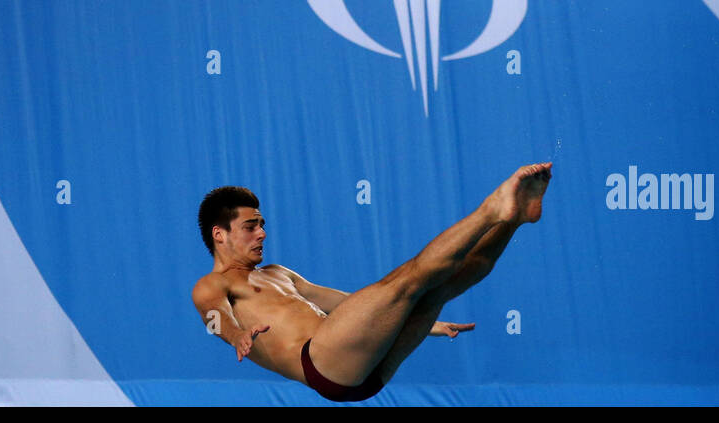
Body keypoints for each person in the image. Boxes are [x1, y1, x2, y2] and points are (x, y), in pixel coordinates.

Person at [191, 162, 552, 402]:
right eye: (250, 227)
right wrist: (236, 336)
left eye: (262, 223)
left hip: (363, 369)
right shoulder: (213, 283)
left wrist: (430, 326)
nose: (262, 233)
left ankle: (515, 219)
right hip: (320, 362)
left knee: (442, 285)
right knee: (409, 279)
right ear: (219, 235)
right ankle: (492, 209)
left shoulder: (277, 273)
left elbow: (343, 304)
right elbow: (214, 316)